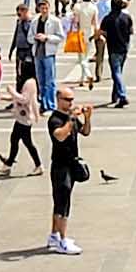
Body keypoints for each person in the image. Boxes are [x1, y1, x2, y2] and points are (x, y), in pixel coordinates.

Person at [43, 88, 88, 255]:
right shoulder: (55, 119)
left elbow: (85, 132)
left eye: (72, 99)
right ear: (59, 99)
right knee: (62, 203)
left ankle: (54, 235)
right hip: (60, 166)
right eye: (67, 99)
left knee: (63, 201)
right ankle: (62, 239)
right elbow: (59, 136)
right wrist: (71, 119)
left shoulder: (72, 119)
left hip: (71, 164)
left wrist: (87, 117)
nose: (70, 103)